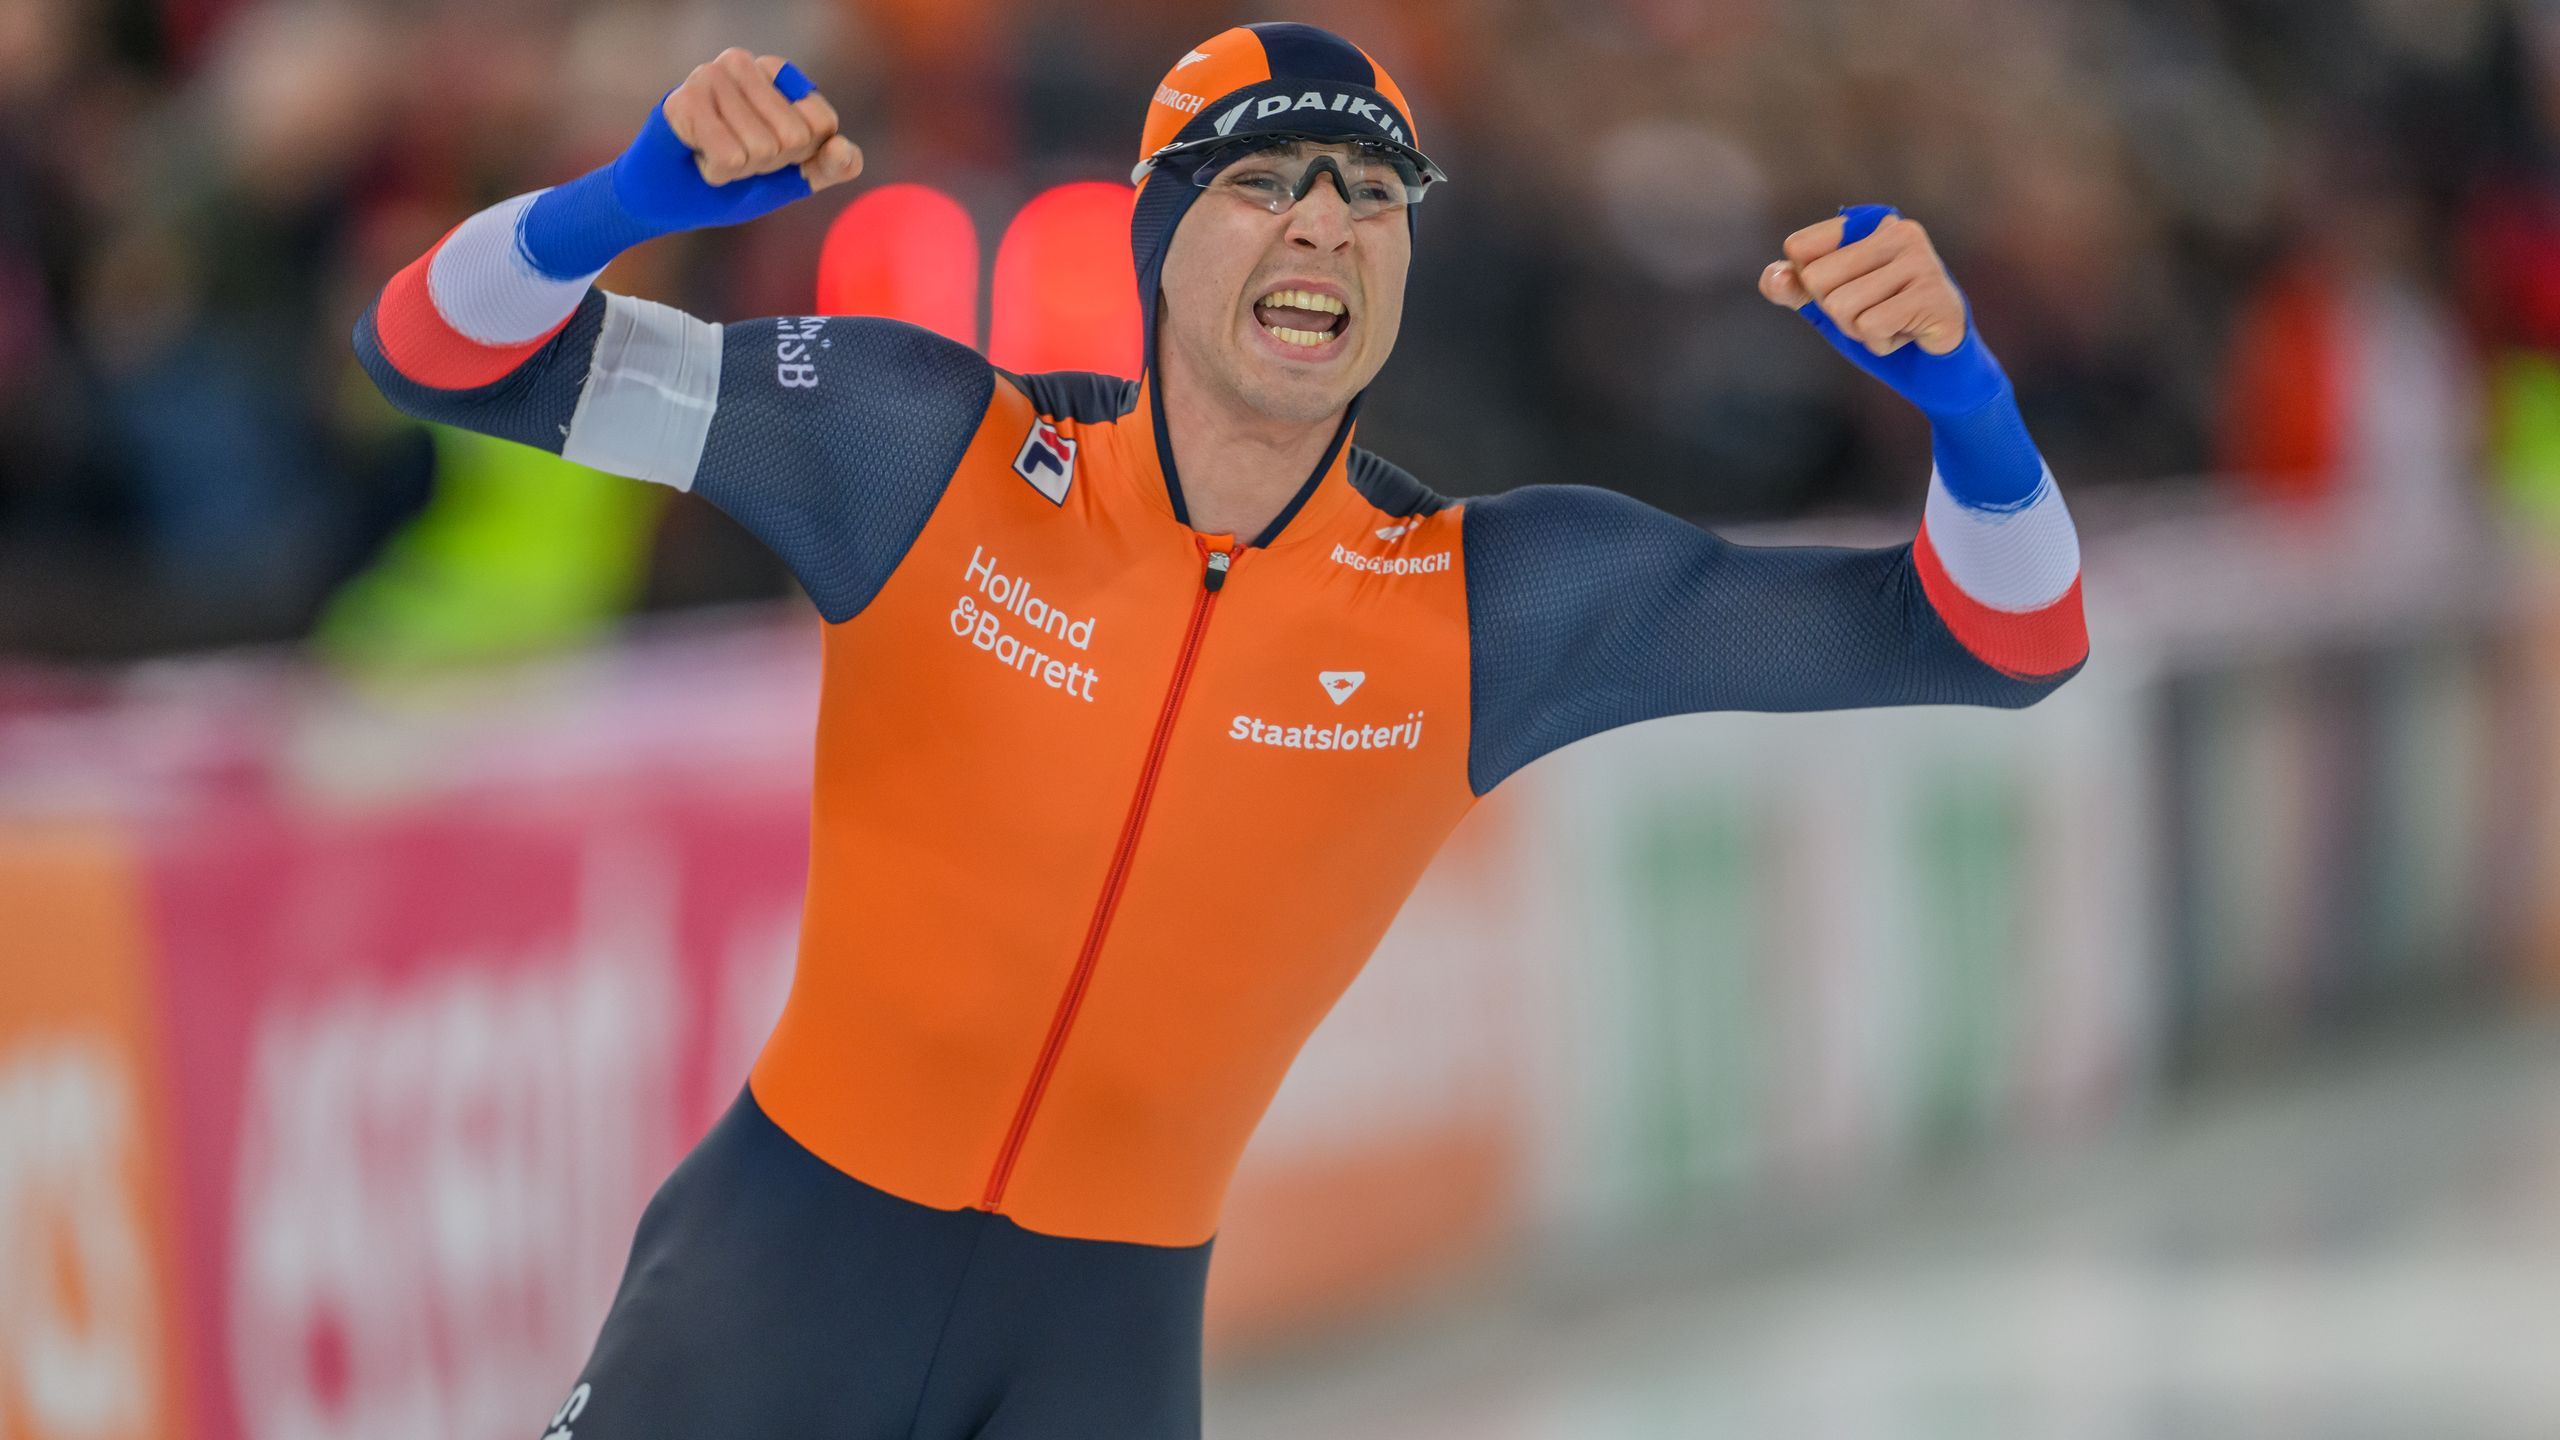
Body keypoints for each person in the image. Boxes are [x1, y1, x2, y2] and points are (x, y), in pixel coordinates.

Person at [355, 23, 2086, 1440]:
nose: (1322, 227)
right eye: (1263, 182)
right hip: (768, 1291)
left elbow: (2004, 639)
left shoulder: (1495, 604)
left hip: (1099, 1359)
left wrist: (1969, 402)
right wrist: (626, 200)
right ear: (1156, 232)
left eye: (1372, 196)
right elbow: (435, 351)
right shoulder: (916, 448)